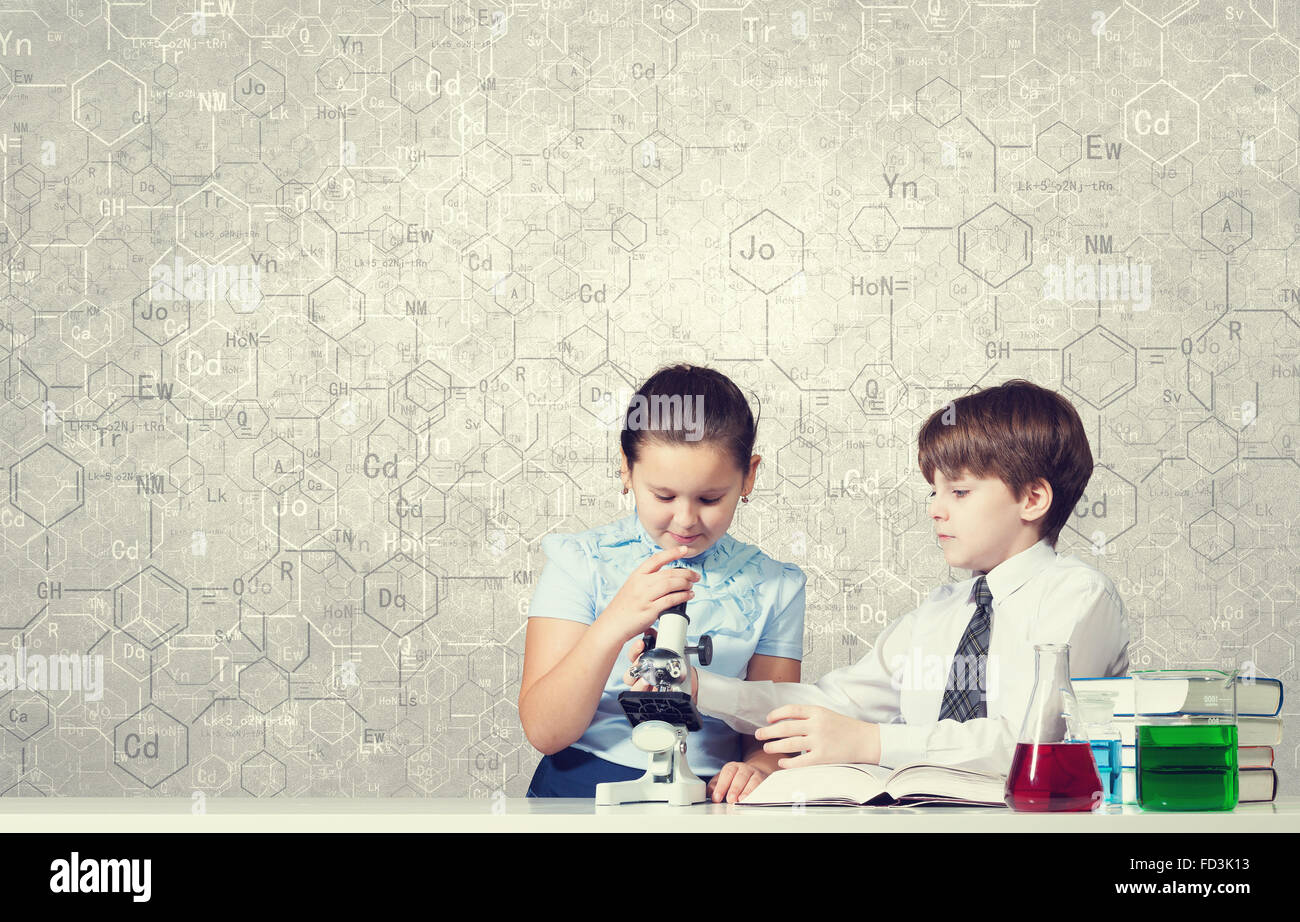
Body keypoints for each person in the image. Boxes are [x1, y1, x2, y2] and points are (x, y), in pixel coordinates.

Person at [631, 378, 1129, 778]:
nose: (935, 510)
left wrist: (873, 742)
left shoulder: (1078, 597)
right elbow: (830, 702)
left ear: (1033, 499)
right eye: (932, 493)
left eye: (958, 492)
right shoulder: (937, 614)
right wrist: (698, 687)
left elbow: (1030, 743)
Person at [519, 363, 806, 802]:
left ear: (748, 476)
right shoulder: (580, 562)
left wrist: (758, 769)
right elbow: (545, 731)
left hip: (708, 793)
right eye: (664, 496)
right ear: (626, 469)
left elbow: (770, 725)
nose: (686, 520)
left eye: (710, 498)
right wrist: (614, 622)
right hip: (582, 787)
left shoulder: (774, 586)